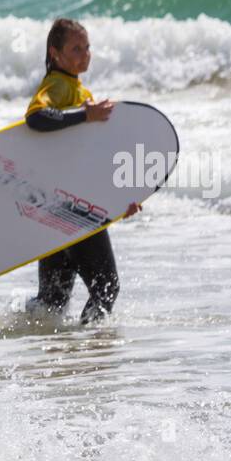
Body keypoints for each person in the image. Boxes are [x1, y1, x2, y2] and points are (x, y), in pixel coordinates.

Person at [24, 18, 137, 324]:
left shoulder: (80, 91)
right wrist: (86, 114)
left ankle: (32, 342)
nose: (85, 54)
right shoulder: (56, 86)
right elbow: (36, 117)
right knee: (106, 288)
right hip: (73, 208)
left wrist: (117, 202)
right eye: (76, 48)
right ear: (55, 52)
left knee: (51, 303)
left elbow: (86, 160)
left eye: (87, 47)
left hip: (55, 207)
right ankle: (90, 355)